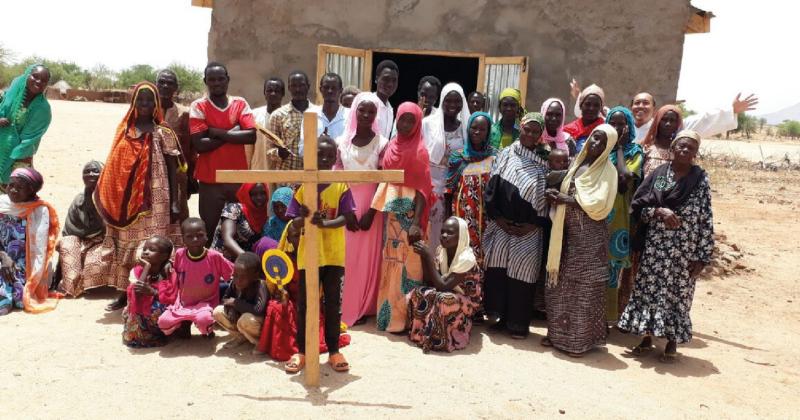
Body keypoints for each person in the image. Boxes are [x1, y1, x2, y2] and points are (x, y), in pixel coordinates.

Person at [618, 130, 713, 363]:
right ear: (672, 149)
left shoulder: (699, 179)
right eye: (681, 146)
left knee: (678, 294)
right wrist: (659, 211)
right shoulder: (662, 175)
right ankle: (646, 338)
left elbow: (706, 218)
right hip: (656, 248)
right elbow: (640, 206)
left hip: (685, 251)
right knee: (649, 291)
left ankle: (672, 342)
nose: (685, 150)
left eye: (690, 147)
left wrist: (702, 256)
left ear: (696, 152)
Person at [90, 82, 184, 311]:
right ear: (133, 102)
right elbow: (113, 164)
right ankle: (124, 293)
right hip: (127, 199)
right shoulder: (125, 130)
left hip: (157, 195)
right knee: (126, 244)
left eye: (149, 100)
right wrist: (110, 196)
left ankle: (157, 293)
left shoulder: (163, 132)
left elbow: (173, 169)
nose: (144, 104)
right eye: (140, 100)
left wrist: (174, 201)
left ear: (156, 104)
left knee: (155, 246)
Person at [543, 124, 618, 357]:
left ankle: (579, 342)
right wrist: (555, 195)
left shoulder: (608, 171)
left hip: (590, 238)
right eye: (594, 138)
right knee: (560, 285)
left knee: (584, 288)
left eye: (602, 142)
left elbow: (600, 204)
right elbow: (565, 189)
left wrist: (566, 199)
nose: (596, 144)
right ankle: (557, 335)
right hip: (566, 233)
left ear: (608, 147)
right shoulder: (577, 163)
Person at [284, 134, 356, 374]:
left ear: (336, 158)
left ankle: (334, 351)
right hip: (309, 256)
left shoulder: (340, 184)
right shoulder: (304, 187)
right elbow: (293, 223)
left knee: (333, 304)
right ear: (310, 157)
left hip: (334, 254)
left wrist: (324, 223)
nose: (325, 159)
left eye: (329, 155)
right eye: (319, 155)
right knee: (306, 304)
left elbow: (347, 217)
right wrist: (303, 218)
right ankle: (302, 351)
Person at [482, 112, 550, 339]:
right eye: (526, 129)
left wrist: (533, 225)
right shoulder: (506, 154)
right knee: (499, 271)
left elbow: (547, 198)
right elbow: (492, 187)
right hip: (502, 225)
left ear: (540, 135)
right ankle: (501, 318)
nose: (530, 134)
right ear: (520, 128)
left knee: (523, 275)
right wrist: (499, 219)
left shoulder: (544, 162)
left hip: (529, 229)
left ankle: (518, 324)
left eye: (535, 131)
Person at [372, 102, 433, 333]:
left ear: (417, 124)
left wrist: (416, 222)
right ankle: (388, 319)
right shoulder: (391, 145)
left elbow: (423, 190)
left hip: (411, 218)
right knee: (391, 264)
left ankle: (408, 320)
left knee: (410, 267)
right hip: (393, 218)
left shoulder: (420, 151)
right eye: (402, 119)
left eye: (411, 121)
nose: (405, 124)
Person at [257, 220, 351, 361]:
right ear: (288, 239)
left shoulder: (317, 260)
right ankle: (284, 348)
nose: (300, 239)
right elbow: (281, 284)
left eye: (303, 235)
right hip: (292, 302)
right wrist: (283, 293)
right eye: (295, 236)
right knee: (275, 307)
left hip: (311, 303)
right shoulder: (284, 260)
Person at [334, 92, 389, 326]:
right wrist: (345, 211)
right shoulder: (341, 142)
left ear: (377, 114)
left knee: (367, 259)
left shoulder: (382, 143)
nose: (366, 115)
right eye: (362, 110)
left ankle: (365, 306)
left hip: (371, 207)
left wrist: (372, 213)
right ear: (354, 111)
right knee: (346, 257)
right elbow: (336, 177)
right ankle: (344, 305)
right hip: (345, 204)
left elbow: (384, 181)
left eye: (371, 111)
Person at [190, 62, 257, 243]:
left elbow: (251, 136)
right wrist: (233, 132)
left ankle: (239, 261)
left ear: (228, 80)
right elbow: (200, 145)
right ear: (205, 81)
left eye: (221, 79)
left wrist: (216, 132)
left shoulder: (240, 103)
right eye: (212, 79)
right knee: (209, 229)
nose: (217, 83)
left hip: (237, 177)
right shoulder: (199, 106)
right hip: (210, 179)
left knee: (242, 229)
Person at [407, 216, 481, 353]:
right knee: (418, 292)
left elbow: (442, 286)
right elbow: (430, 281)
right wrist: (423, 256)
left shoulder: (466, 258)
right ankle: (421, 334)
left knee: (444, 299)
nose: (444, 235)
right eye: (442, 232)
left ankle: (443, 339)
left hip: (467, 301)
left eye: (450, 233)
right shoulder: (441, 251)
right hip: (447, 290)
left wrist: (428, 256)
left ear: (461, 237)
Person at [158, 218, 234, 338]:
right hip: (183, 304)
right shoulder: (179, 254)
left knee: (204, 319)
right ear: (183, 239)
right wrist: (168, 264)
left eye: (199, 235)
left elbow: (232, 274)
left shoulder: (214, 256)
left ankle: (207, 328)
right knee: (163, 322)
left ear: (206, 236)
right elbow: (175, 273)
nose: (195, 239)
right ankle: (184, 323)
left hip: (206, 304)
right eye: (189, 236)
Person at [0, 168, 59, 316]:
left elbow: (38, 250)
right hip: (2, 254)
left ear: (31, 190)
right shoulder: (2, 204)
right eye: (11, 185)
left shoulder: (39, 210)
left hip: (27, 260)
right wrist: (3, 257)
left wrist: (13, 262)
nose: (13, 190)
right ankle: (4, 299)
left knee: (21, 294)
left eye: (19, 188)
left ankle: (7, 298)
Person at [604, 107, 644, 322]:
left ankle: (607, 317)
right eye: (613, 123)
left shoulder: (634, 152)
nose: (617, 127)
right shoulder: (600, 146)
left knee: (612, 267)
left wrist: (619, 147)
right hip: (598, 213)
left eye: (622, 124)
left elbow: (624, 179)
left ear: (629, 127)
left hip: (619, 214)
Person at [423, 82, 471, 251]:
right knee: (428, 233)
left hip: (454, 190)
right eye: (448, 100)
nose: (452, 105)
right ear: (442, 101)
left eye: (457, 101)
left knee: (448, 236)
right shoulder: (427, 124)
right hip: (430, 189)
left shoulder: (465, 128)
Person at [445, 112, 495, 271]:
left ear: (488, 132)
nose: (477, 132)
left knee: (486, 257)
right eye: (474, 128)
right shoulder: (458, 157)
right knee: (463, 254)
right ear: (468, 129)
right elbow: (448, 191)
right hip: (462, 217)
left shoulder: (495, 157)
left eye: (482, 129)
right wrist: (448, 219)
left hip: (488, 219)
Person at [56, 161, 106, 297]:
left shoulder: (111, 199)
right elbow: (69, 231)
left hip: (103, 240)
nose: (91, 174)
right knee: (67, 244)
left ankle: (93, 283)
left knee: (95, 261)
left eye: (95, 171)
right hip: (80, 239)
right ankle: (73, 287)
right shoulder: (79, 200)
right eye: (87, 171)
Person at [630, 92, 758, 143]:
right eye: (637, 103)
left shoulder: (665, 127)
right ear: (631, 107)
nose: (640, 106)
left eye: (645, 103)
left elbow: (702, 121)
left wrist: (731, 110)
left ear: (654, 108)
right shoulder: (623, 128)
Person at [0, 64, 51, 189]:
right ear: (27, 76)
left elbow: (28, 140)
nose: (38, 81)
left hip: (20, 156)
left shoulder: (43, 109)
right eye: (35, 76)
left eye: (44, 80)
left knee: (16, 191)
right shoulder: (7, 95)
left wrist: (11, 156)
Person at [122, 236, 177, 348]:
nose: (146, 252)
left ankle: (162, 333)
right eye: (144, 249)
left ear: (164, 256)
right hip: (140, 313)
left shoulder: (170, 272)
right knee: (134, 294)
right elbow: (137, 293)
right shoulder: (136, 271)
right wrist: (146, 267)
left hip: (161, 314)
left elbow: (172, 298)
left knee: (158, 308)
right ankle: (145, 333)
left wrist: (153, 292)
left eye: (152, 250)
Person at [213, 252, 268, 350]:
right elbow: (225, 299)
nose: (238, 280)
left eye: (243, 277)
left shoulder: (261, 286)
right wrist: (231, 309)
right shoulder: (234, 283)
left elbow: (258, 310)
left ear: (255, 276)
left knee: (246, 319)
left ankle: (260, 343)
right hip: (239, 317)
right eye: (235, 275)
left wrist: (236, 303)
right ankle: (241, 336)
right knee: (217, 311)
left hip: (255, 321)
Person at [157, 69, 195, 209]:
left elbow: (190, 148)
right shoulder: (146, 110)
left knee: (178, 212)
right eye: (161, 82)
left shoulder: (184, 114)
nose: (165, 86)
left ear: (176, 87)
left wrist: (190, 177)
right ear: (156, 85)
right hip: (151, 173)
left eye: (170, 83)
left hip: (178, 173)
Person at [210, 183, 269, 261]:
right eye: (254, 194)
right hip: (222, 260)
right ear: (246, 195)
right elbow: (227, 239)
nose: (259, 197)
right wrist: (249, 260)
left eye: (263, 193)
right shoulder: (234, 209)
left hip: (247, 264)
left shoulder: (266, 215)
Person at [269, 70, 313, 170]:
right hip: (286, 174)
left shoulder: (317, 113)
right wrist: (279, 153)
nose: (298, 89)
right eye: (294, 86)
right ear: (289, 88)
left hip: (311, 174)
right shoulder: (278, 115)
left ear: (308, 86)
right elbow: (270, 149)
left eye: (301, 85)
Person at [301, 73, 347, 156]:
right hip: (316, 164)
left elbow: (352, 149)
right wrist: (319, 143)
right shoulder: (310, 114)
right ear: (320, 89)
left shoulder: (349, 116)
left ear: (341, 90)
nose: (330, 91)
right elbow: (302, 151)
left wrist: (334, 144)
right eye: (326, 87)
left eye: (334, 88)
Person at [640, 105, 683, 177]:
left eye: (672, 120)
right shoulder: (646, 145)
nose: (668, 124)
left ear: (677, 124)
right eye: (664, 119)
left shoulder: (680, 149)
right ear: (657, 121)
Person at [564, 84, 605, 153]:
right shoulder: (567, 131)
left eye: (596, 105)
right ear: (580, 106)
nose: (591, 108)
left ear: (601, 109)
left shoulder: (605, 130)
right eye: (587, 104)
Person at [374, 60, 399, 139]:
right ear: (376, 79)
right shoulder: (368, 103)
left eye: (394, 80)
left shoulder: (390, 109)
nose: (390, 84)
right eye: (386, 79)